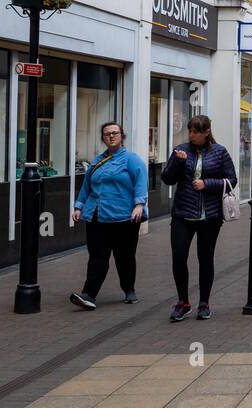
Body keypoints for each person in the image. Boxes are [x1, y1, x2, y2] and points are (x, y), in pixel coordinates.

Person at [160, 114, 237, 322]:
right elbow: (167, 178)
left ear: (206, 132)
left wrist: (207, 184)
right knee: (179, 256)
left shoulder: (219, 152)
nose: (191, 135)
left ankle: (204, 303)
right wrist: (177, 161)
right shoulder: (181, 150)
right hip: (183, 215)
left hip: (210, 216)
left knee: (205, 259)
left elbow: (232, 179)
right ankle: (183, 302)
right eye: (190, 131)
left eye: (196, 132)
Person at [69, 122, 147, 310]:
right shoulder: (97, 161)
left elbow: (141, 182)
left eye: (115, 133)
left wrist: (139, 204)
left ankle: (129, 289)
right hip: (97, 216)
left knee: (125, 257)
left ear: (122, 135)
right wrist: (79, 207)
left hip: (124, 218)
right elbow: (87, 186)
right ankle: (89, 294)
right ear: (103, 138)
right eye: (107, 134)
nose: (111, 136)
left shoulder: (131, 159)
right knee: (97, 257)